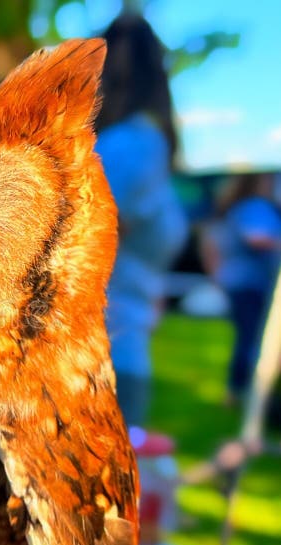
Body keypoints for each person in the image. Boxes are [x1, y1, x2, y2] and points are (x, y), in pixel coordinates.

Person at [95, 14, 188, 427]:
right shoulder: (133, 145)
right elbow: (94, 235)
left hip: (121, 348)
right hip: (103, 354)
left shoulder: (133, 143)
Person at [205, 172, 281, 405]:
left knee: (247, 337)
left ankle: (238, 390)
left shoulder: (238, 207)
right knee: (251, 338)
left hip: (239, 281)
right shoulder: (255, 205)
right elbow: (257, 238)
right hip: (250, 282)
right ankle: (241, 391)